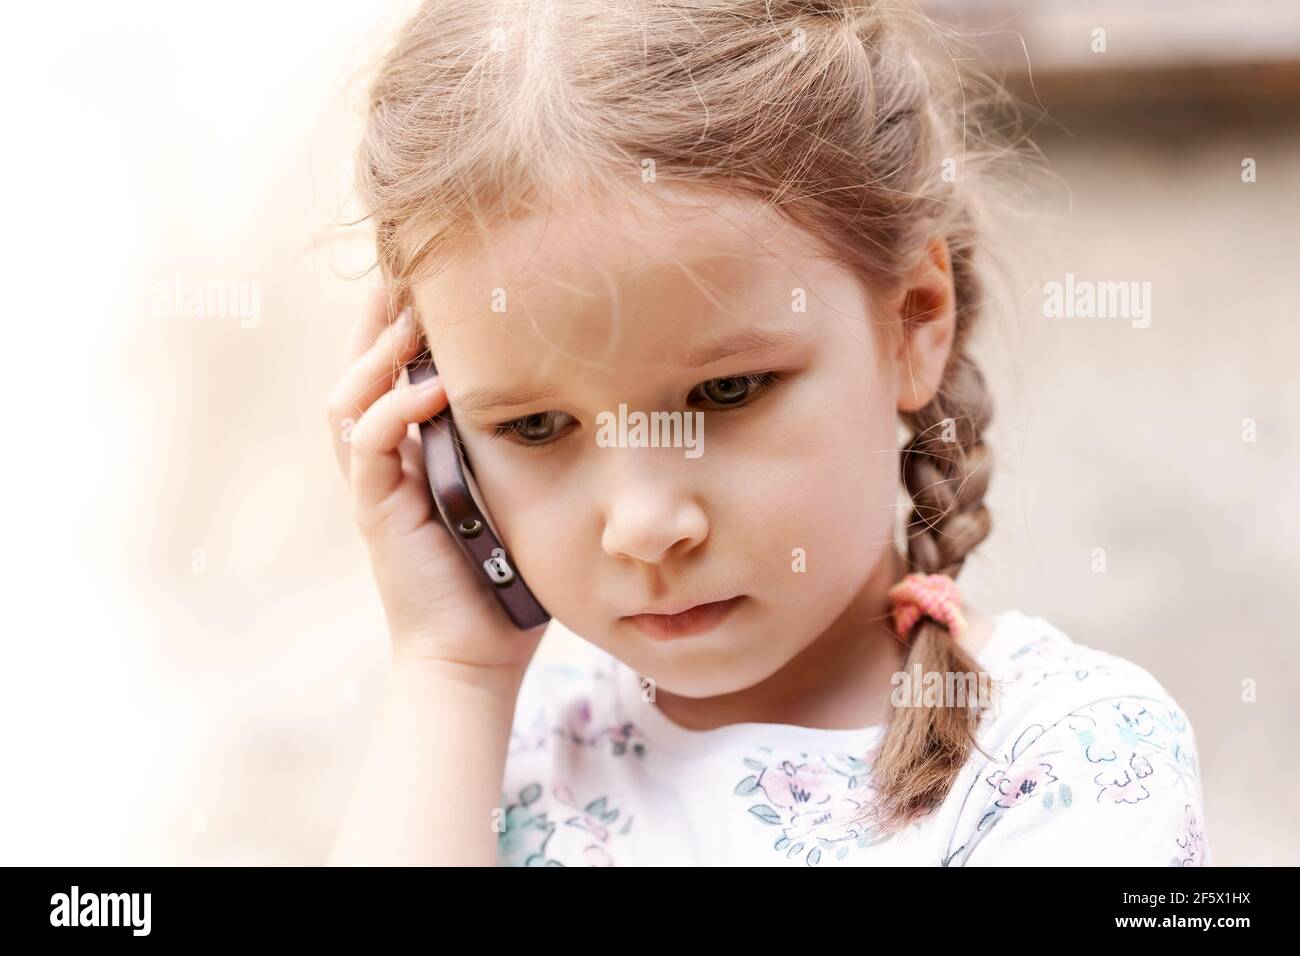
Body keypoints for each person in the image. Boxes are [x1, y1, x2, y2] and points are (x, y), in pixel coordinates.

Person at [324, 0, 1209, 866]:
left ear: (912, 321)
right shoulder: (478, 748)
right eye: (535, 425)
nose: (645, 524)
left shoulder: (1073, 762)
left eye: (727, 390)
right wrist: (451, 673)